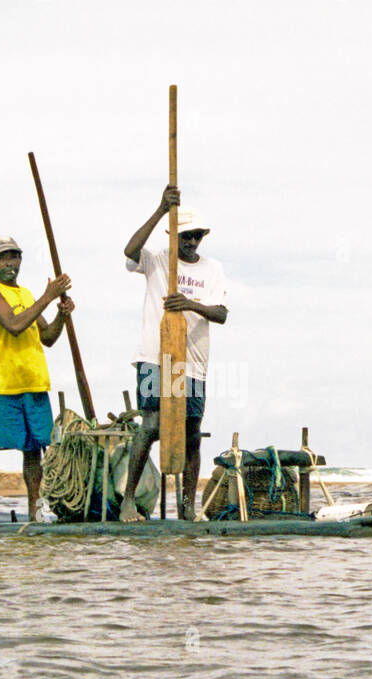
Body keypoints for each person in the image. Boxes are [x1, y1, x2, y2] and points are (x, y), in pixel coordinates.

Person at [118, 186, 228, 522]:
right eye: (185, 236)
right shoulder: (157, 259)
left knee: (192, 432)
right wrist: (160, 210)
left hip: (193, 363)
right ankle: (127, 504)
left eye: (196, 236)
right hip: (155, 356)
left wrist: (190, 303)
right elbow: (130, 250)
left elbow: (222, 313)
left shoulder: (212, 269)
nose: (191, 242)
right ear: (174, 234)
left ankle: (186, 508)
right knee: (150, 427)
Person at [0, 236, 74, 523]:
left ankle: (35, 510)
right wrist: (48, 296)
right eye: (3, 258)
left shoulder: (26, 295)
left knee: (34, 448)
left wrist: (61, 316)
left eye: (14, 257)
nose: (10, 263)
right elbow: (15, 325)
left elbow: (47, 338)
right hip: (0, 384)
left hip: (32, 383)